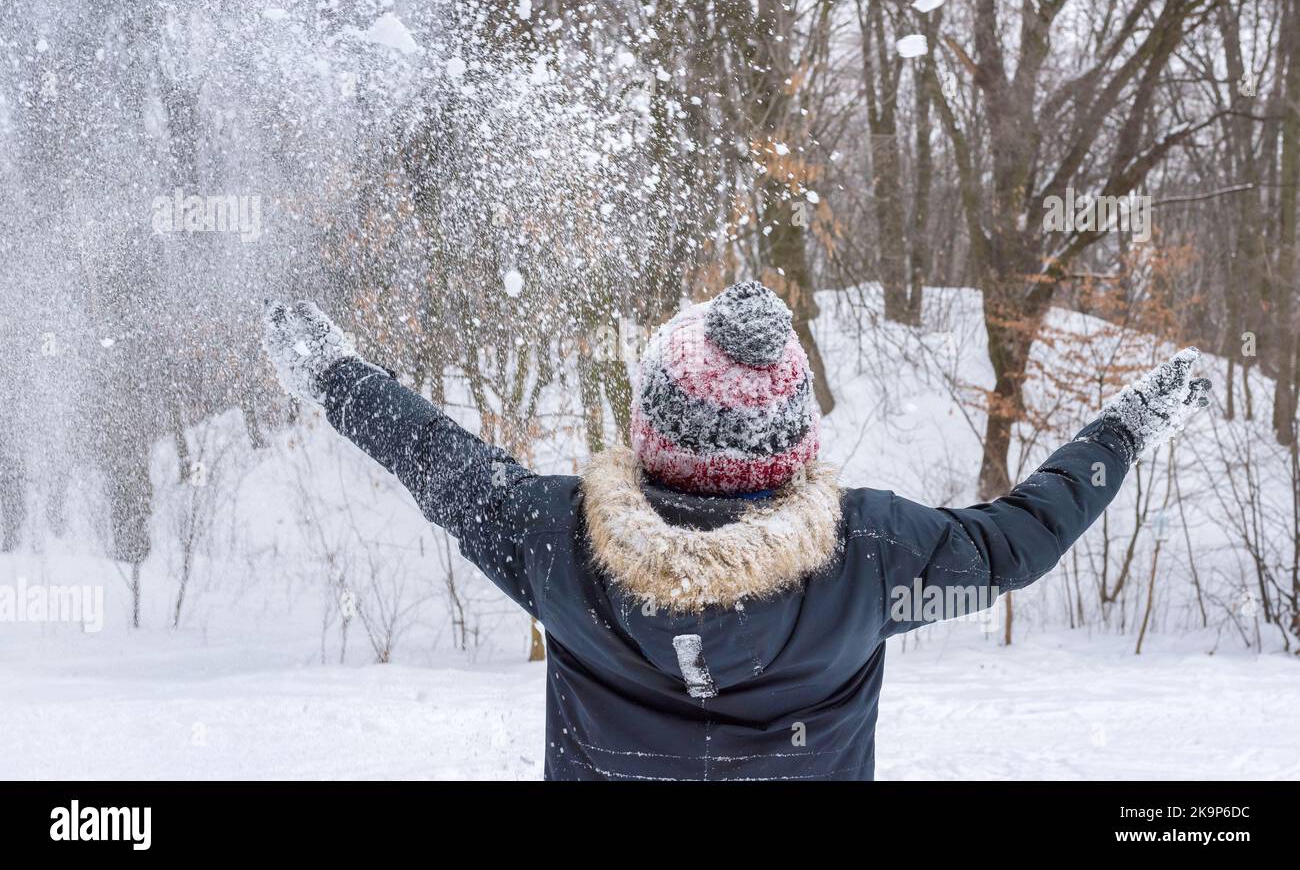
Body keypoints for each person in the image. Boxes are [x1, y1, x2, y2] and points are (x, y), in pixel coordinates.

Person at [262, 281, 1211, 781]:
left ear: (651, 428)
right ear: (796, 443)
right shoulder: (869, 556)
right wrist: (1122, 429)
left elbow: (440, 462)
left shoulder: (559, 541)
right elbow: (1017, 545)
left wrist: (335, 375)